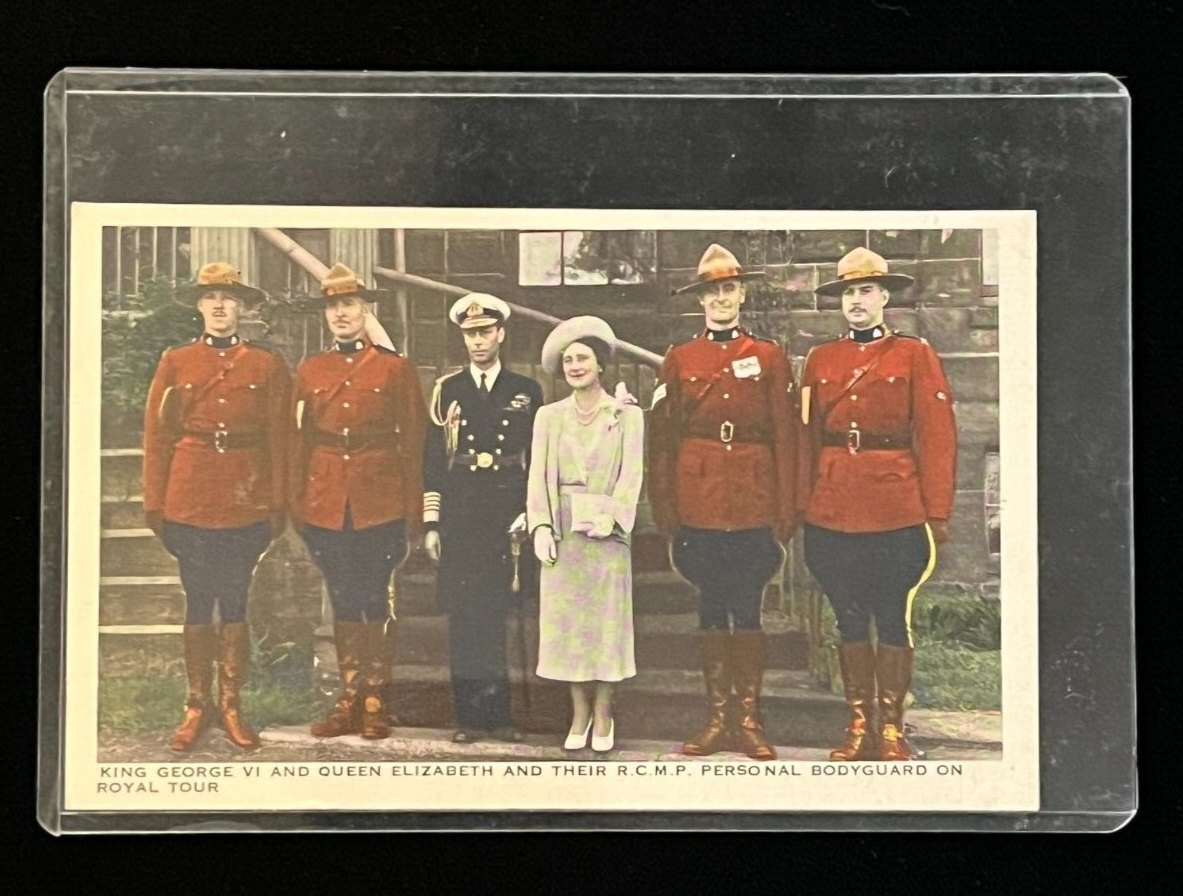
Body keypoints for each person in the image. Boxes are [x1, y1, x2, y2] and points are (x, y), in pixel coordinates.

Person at [801, 247, 957, 761]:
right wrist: (803, 501)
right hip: (832, 505)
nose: (856, 301)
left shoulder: (913, 354)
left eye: (866, 290)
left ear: (884, 296)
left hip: (894, 504)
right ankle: (857, 725)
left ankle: (891, 729)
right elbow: (805, 438)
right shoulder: (821, 360)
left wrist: (936, 512)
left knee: (892, 615)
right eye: (848, 292)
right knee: (847, 618)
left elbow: (936, 437)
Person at [648, 243, 800, 761]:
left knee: (750, 609)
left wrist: (786, 507)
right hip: (701, 497)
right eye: (711, 291)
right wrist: (667, 509)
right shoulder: (681, 359)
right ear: (700, 300)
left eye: (728, 289)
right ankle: (717, 720)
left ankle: (750, 720)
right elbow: (663, 440)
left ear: (742, 294)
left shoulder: (768, 357)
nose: (720, 299)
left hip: (754, 497)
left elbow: (786, 435)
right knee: (712, 607)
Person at [142, 262, 290, 752]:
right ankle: (196, 704)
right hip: (190, 494)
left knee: (236, 600)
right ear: (199, 307)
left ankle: (231, 705)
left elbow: (280, 438)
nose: (220, 306)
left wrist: (277, 502)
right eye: (211, 298)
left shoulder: (266, 365)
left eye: (229, 297)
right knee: (198, 599)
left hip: (246, 499)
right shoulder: (176, 361)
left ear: (242, 307)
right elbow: (158, 436)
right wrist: (155, 501)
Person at [291, 263, 428, 740]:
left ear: (366, 310)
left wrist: (413, 510)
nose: (341, 314)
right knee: (344, 597)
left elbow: (413, 442)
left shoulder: (395, 368)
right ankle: (348, 696)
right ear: (325, 316)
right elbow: (299, 441)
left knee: (375, 597)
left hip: (380, 498)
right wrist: (300, 505)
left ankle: (375, 696)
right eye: (332, 307)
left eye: (349, 304)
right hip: (327, 498)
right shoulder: (310, 370)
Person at [422, 293, 544, 744]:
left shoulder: (526, 391)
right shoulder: (447, 390)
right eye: (471, 334)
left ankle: (502, 716)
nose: (478, 341)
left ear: (501, 334)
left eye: (486, 332)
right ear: (463, 337)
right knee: (464, 617)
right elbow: (433, 459)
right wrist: (432, 522)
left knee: (499, 614)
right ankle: (469, 718)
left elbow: (537, 460)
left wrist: (531, 515)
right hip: (461, 514)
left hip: (506, 515)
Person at [527, 316, 644, 753]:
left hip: (607, 535)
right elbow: (537, 476)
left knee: (606, 626)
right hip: (564, 533)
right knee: (568, 626)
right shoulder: (548, 416)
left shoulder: (627, 416)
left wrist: (614, 518)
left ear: (600, 365)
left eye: (584, 358)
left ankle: (604, 711)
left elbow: (632, 475)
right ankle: (578, 710)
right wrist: (540, 525)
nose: (576, 366)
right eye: (569, 360)